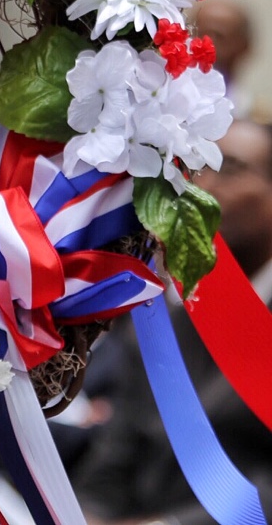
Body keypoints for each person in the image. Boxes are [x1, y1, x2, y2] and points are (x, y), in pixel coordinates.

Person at [72, 119, 272, 523]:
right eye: (195, 170)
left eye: (230, 169)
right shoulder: (166, 321)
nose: (204, 189)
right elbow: (114, 462)